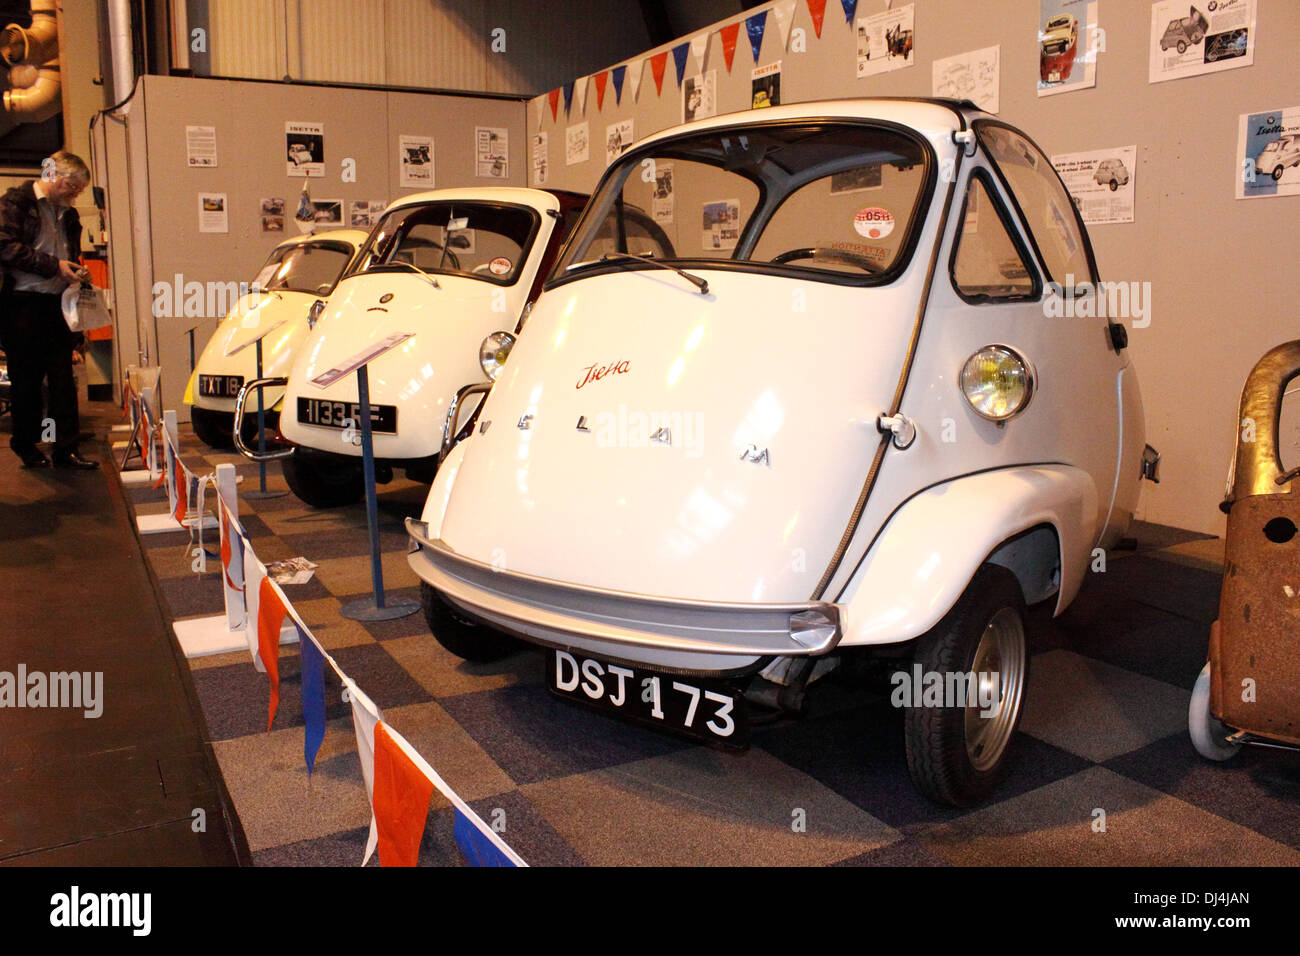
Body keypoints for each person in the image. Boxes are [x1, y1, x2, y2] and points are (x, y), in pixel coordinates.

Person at [0, 150, 96, 469]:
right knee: (27, 382)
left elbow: (70, 256)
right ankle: (27, 446)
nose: (76, 194)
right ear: (56, 177)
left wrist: (77, 273)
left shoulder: (69, 215)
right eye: (74, 187)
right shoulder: (16, 203)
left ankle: (64, 448)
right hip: (22, 306)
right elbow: (5, 247)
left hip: (58, 304)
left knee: (62, 381)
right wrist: (54, 267)